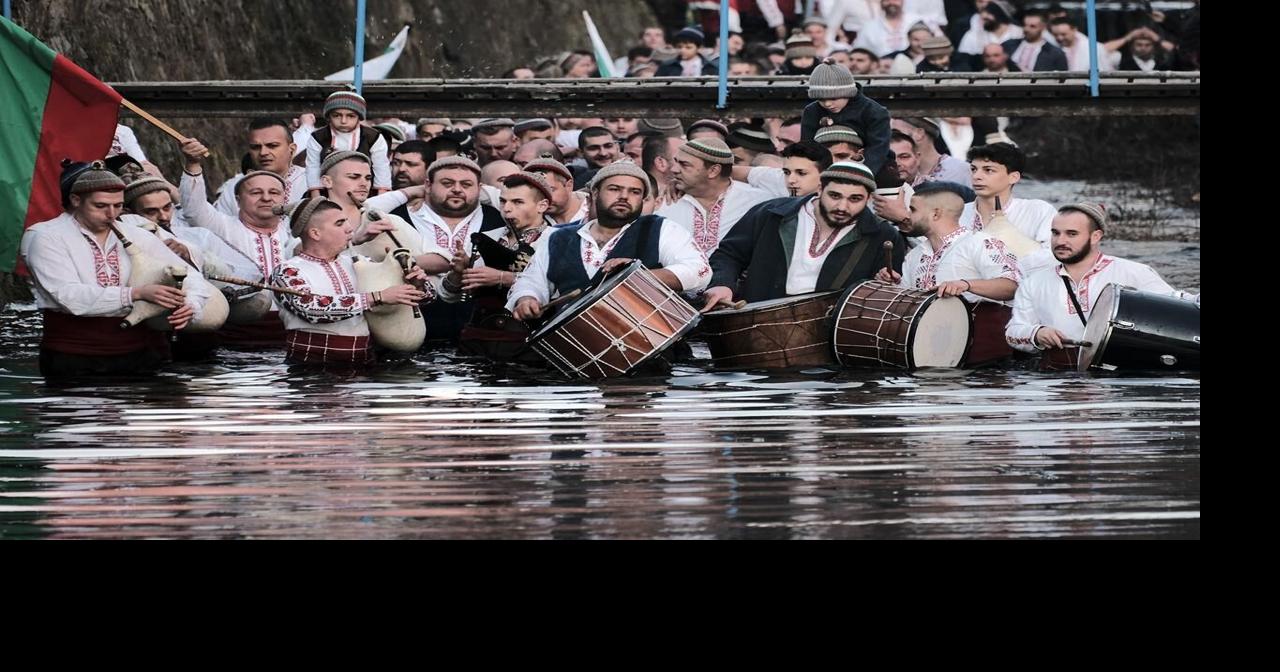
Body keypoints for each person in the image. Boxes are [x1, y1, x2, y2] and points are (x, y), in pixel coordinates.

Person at [702, 161, 905, 309]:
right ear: (820, 189)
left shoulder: (883, 235)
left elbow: (880, 299)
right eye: (835, 196)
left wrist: (883, 283)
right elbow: (729, 254)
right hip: (758, 321)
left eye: (855, 199)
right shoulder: (772, 213)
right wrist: (722, 283)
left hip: (829, 334)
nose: (842, 206)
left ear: (868, 199)